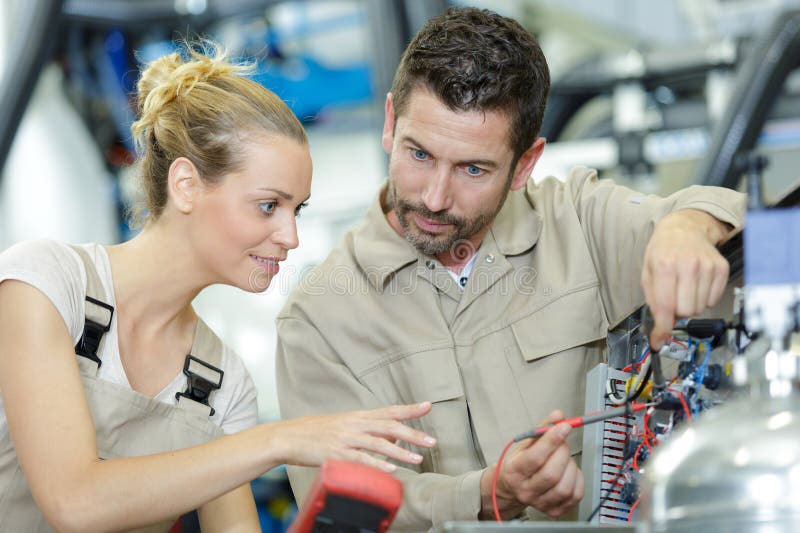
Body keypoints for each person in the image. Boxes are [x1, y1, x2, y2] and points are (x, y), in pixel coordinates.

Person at [275, 6, 747, 530]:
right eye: (419, 154)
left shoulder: (580, 224)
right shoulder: (319, 319)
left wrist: (689, 227)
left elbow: (749, 227)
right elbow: (341, 511)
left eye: (473, 169)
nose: (434, 198)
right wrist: (481, 494)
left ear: (526, 162)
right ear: (390, 122)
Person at [0, 42, 437, 533]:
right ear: (186, 184)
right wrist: (279, 441)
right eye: (269, 205)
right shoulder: (44, 285)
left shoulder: (220, 381)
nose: (291, 237)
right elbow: (74, 503)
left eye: (299, 210)